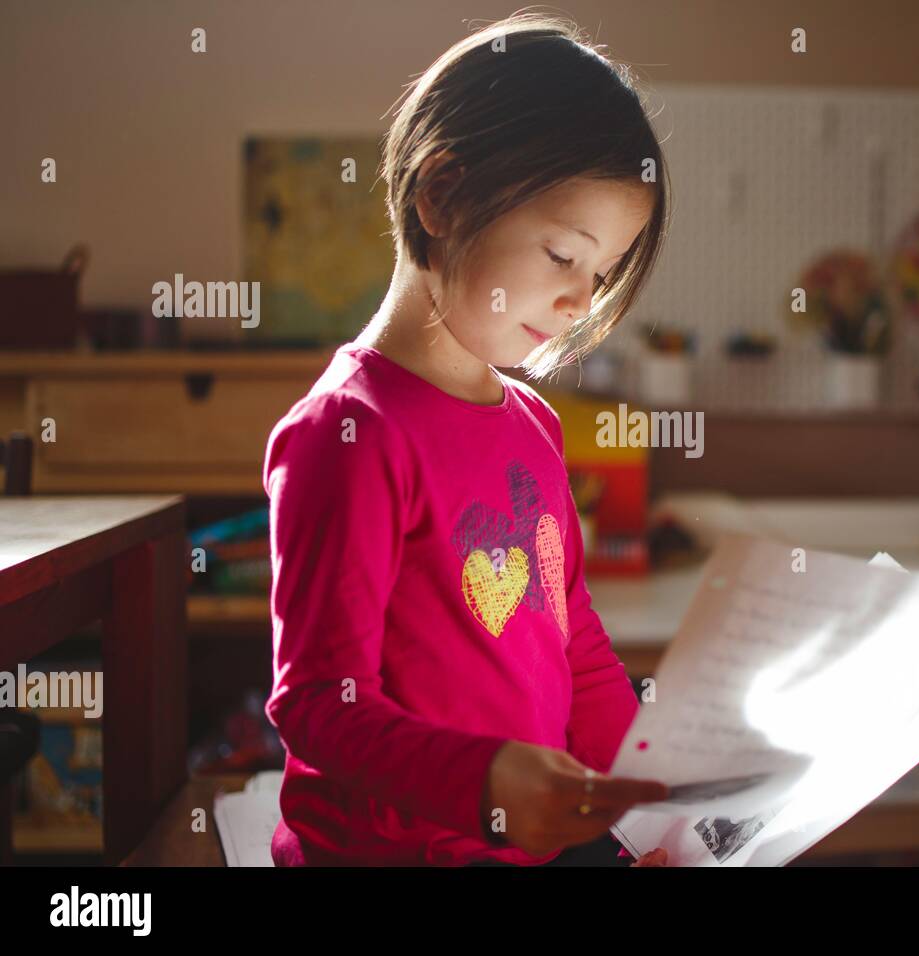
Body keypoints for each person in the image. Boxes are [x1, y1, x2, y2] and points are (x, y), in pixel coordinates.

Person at [263, 12, 674, 867]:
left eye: (599, 278)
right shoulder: (348, 434)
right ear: (442, 195)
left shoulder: (533, 428)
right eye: (564, 254)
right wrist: (484, 783)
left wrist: (658, 798)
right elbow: (318, 705)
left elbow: (578, 648)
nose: (580, 305)